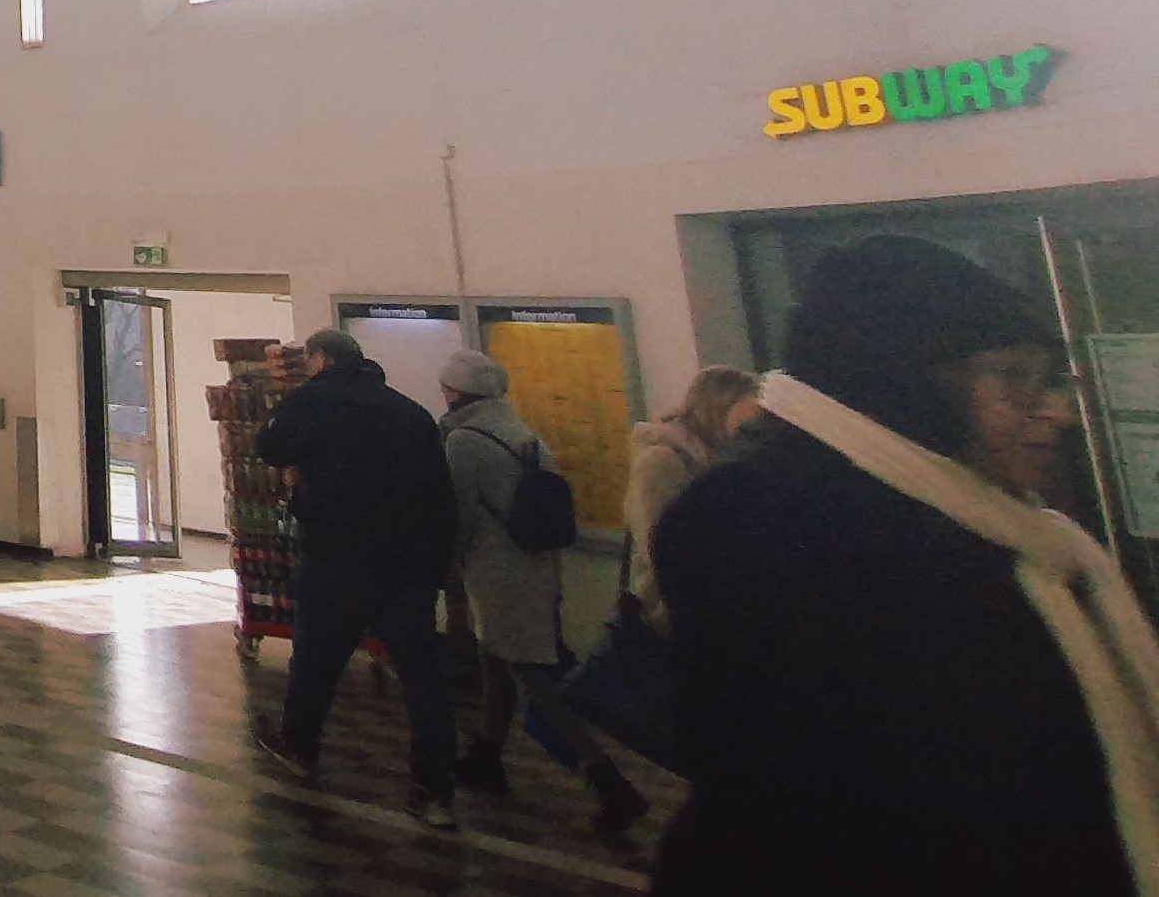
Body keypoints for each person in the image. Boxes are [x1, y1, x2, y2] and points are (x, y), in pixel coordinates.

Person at [654, 235, 1159, 894]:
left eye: (1046, 377)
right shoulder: (762, 518)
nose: (1054, 408)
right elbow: (791, 811)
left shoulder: (1002, 526)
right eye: (1011, 375)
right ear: (901, 380)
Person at [249, 326, 462, 829]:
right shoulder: (410, 413)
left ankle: (299, 746)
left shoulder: (314, 401)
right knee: (423, 681)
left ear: (320, 359)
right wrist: (434, 571)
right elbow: (441, 500)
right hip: (406, 568)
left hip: (336, 561)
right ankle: (434, 792)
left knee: (317, 661)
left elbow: (270, 445)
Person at [438, 348, 646, 835]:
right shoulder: (520, 431)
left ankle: (608, 782)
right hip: (536, 565)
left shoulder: (464, 441)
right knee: (501, 662)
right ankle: (486, 755)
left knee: (531, 675)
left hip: (497, 571)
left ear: (455, 391)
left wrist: (445, 572)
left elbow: (462, 516)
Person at [625, 365, 762, 627]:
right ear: (717, 407)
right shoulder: (661, 461)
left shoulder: (721, 458)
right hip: (673, 618)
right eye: (747, 407)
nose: (753, 418)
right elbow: (659, 549)